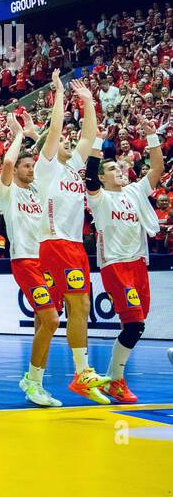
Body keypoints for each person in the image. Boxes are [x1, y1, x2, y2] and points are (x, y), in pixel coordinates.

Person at [34, 80, 110, 402]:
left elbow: (89, 136)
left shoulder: (73, 169)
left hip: (75, 245)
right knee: (64, 310)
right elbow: (53, 132)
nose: (66, 142)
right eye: (60, 141)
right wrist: (62, 96)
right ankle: (74, 374)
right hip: (55, 243)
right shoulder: (46, 166)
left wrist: (89, 101)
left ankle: (69, 374)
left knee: (68, 312)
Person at [85, 117, 164, 403]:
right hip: (116, 265)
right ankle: (115, 380)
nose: (118, 170)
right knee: (134, 325)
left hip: (138, 264)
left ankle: (113, 380)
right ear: (103, 177)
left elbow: (157, 168)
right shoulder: (100, 198)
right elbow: (90, 177)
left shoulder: (134, 192)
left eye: (119, 166)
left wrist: (152, 135)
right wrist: (98, 143)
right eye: (112, 168)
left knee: (136, 324)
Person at [0, 80, 64, 407]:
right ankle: (32, 380)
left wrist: (29, 133)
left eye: (31, 165)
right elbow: (9, 164)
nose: (31, 168)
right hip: (24, 261)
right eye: (28, 166)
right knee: (51, 320)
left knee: (44, 321)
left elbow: (43, 152)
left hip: (44, 259)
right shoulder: (9, 193)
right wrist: (16, 136)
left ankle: (36, 379)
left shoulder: (38, 189)